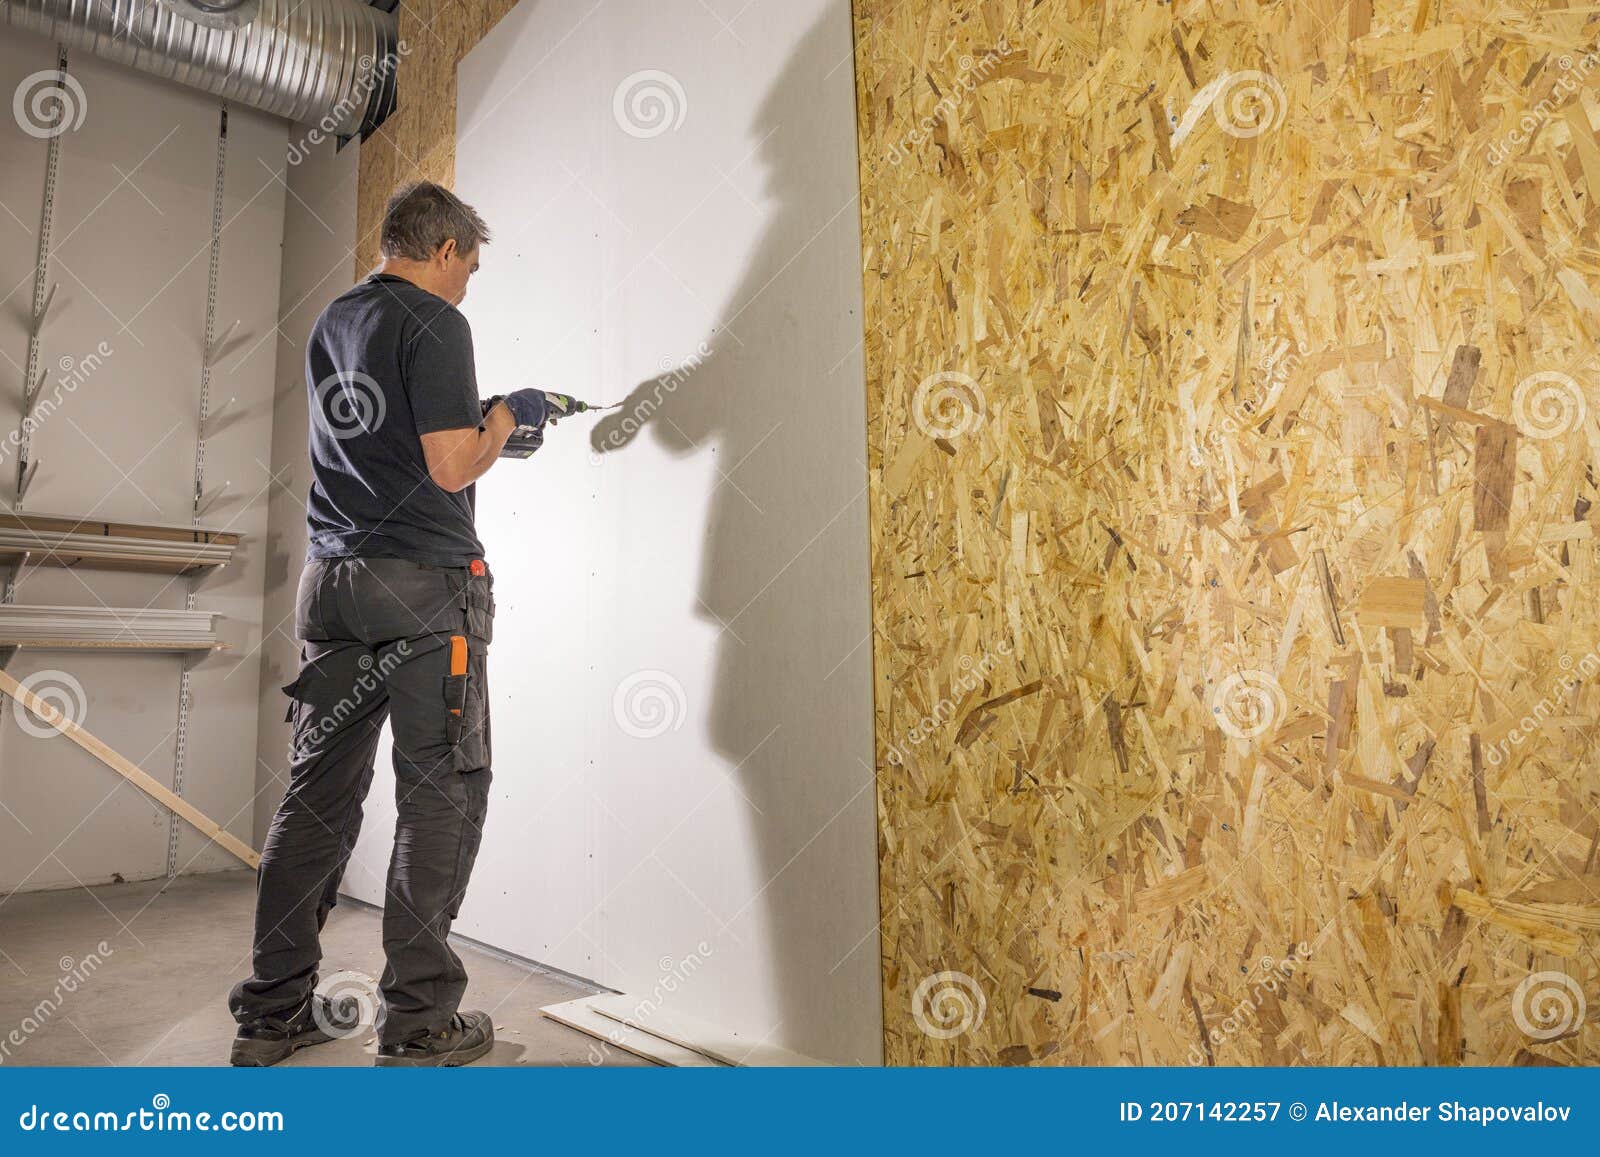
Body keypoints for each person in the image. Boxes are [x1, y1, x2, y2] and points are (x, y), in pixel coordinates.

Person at [227, 181, 556, 1067]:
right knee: (440, 793)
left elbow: (389, 445)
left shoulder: (335, 320)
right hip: (423, 588)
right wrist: (510, 414)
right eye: (469, 268)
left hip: (333, 585)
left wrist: (486, 428)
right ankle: (417, 1024)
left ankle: (271, 1012)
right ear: (443, 249)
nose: (467, 285)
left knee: (316, 798)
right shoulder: (437, 322)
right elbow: (450, 467)